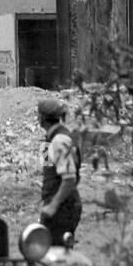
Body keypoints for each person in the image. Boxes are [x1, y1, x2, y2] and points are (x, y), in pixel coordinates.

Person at [38, 97, 82, 246]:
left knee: (57, 253)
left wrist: (53, 205)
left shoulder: (59, 140)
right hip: (55, 203)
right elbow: (49, 174)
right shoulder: (48, 140)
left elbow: (69, 179)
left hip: (63, 208)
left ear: (42, 118)